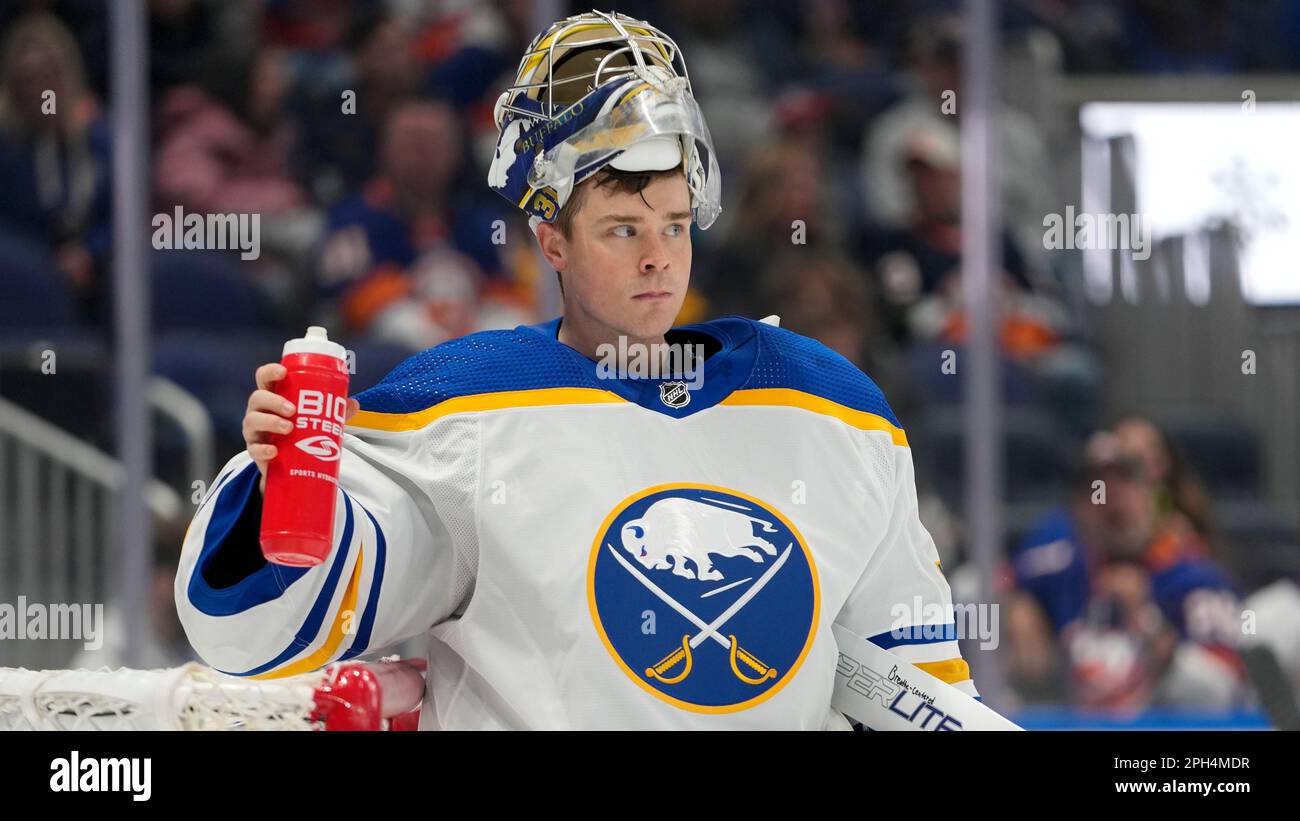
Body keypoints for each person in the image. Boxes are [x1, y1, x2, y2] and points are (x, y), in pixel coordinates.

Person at [174, 11, 976, 729]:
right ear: (552, 241)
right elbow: (260, 631)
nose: (660, 256)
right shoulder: (465, 408)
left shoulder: (829, 406)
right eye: (623, 229)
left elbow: (919, 688)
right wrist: (282, 481)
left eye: (673, 223)